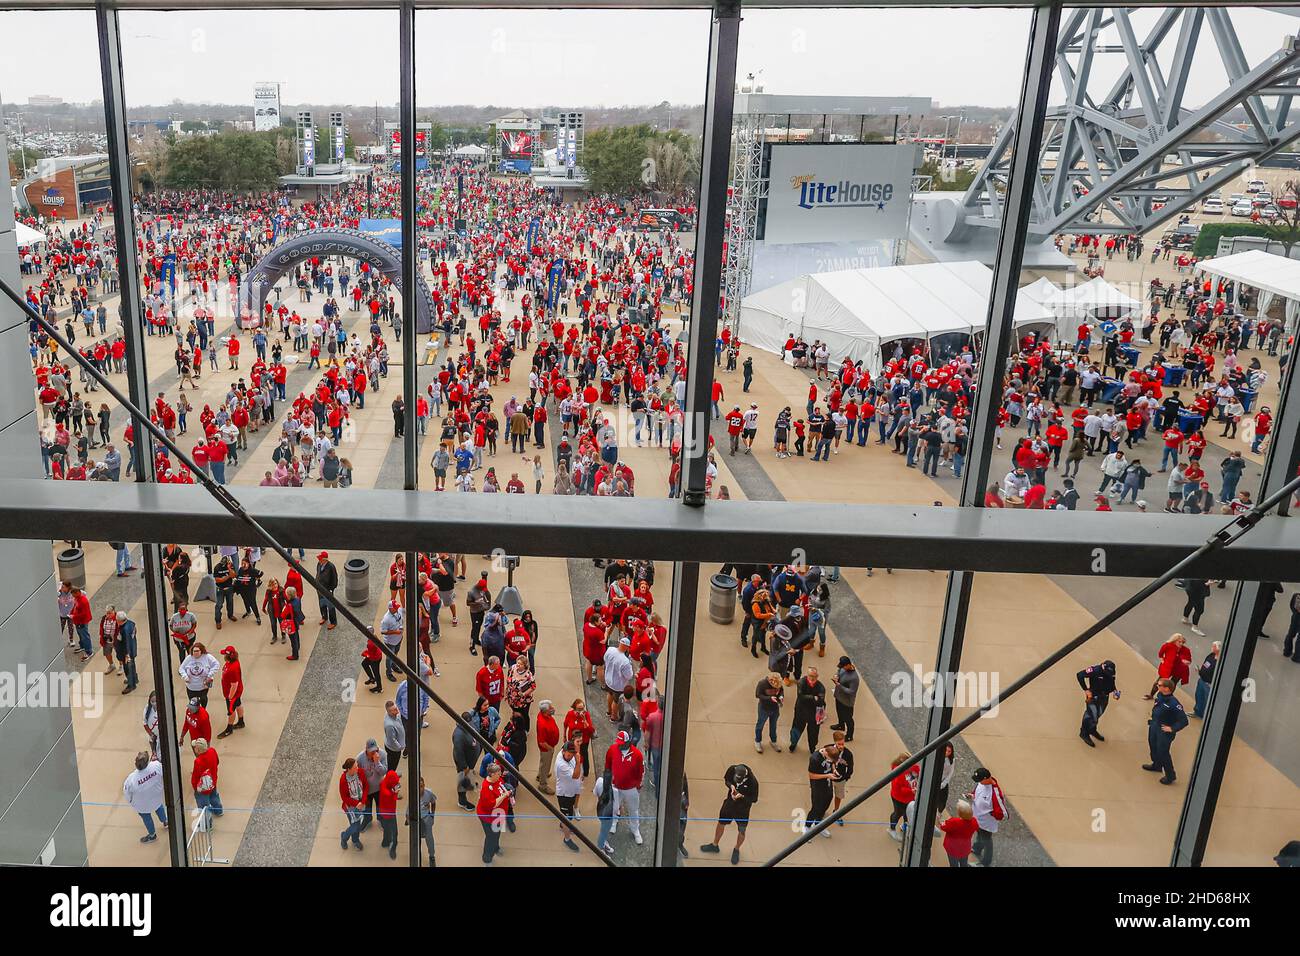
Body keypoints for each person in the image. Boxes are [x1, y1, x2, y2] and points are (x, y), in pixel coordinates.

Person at [698, 763, 759, 864]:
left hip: (743, 810)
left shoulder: (753, 782)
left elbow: (754, 799)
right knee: (721, 822)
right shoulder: (732, 769)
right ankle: (714, 845)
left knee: (742, 830)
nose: (737, 782)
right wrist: (731, 787)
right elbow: (727, 780)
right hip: (729, 804)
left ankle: (736, 849)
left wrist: (742, 796)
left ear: (745, 776)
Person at [1143, 678, 1189, 785]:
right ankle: (1156, 765)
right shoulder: (1160, 696)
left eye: (1159, 685)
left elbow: (1184, 721)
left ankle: (1170, 775)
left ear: (1167, 688)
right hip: (1155, 725)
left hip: (1164, 732)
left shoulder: (1174, 703)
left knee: (1163, 752)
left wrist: (1172, 728)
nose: (1157, 686)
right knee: (1153, 745)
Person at [606, 729, 646, 845]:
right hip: (615, 786)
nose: (619, 746)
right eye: (618, 743)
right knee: (614, 806)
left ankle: (635, 829)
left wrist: (638, 785)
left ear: (627, 742)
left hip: (631, 788)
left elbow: (641, 772)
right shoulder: (613, 749)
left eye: (621, 744)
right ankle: (614, 822)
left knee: (633, 809)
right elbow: (607, 766)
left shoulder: (637, 754)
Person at [123, 751, 168, 844]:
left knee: (146, 816)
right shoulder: (156, 765)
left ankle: (152, 835)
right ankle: (166, 821)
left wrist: (131, 802)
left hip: (142, 804)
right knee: (159, 807)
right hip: (156, 797)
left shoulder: (131, 779)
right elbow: (164, 772)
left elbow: (127, 793)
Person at [968, 767, 1007, 867]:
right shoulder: (981, 783)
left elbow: (1002, 812)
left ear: (986, 778)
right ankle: (977, 848)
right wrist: (972, 796)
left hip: (986, 822)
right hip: (977, 817)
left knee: (987, 840)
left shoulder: (995, 792)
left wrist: (992, 814)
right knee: (979, 833)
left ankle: (986, 862)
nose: (978, 782)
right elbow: (976, 793)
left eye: (980, 780)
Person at [1076, 659, 1118, 746]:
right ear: (1103, 666)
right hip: (1093, 696)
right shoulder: (1095, 670)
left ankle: (1092, 729)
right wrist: (1086, 690)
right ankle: (1084, 733)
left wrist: (1115, 691)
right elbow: (1080, 675)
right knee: (1091, 715)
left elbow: (1112, 683)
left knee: (1098, 714)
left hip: (1104, 697)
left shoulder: (1111, 673)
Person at [476, 761, 511, 865]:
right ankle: (487, 857)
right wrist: (505, 795)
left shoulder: (498, 779)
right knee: (491, 837)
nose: (500, 776)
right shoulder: (486, 788)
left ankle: (496, 847)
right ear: (491, 774)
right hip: (489, 818)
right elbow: (493, 804)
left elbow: (502, 786)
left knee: (497, 833)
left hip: (499, 814)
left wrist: (507, 788)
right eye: (498, 774)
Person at [553, 738, 584, 853]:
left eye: (572, 754)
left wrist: (577, 746)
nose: (570, 756)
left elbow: (576, 751)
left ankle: (563, 824)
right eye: (569, 754)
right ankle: (567, 839)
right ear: (563, 750)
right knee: (567, 818)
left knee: (568, 815)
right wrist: (578, 761)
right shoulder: (561, 764)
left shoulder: (568, 753)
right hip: (564, 794)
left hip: (570, 792)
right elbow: (575, 775)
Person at [805, 740, 840, 836]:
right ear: (826, 753)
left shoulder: (831, 749)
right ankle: (807, 826)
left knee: (825, 805)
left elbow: (833, 762)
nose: (830, 762)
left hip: (827, 785)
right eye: (829, 760)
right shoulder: (815, 759)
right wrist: (827, 776)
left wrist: (834, 769)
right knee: (816, 807)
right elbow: (811, 775)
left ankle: (818, 825)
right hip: (817, 786)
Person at [789, 666, 826, 753]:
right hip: (801, 711)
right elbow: (800, 697)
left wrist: (809, 698)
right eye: (810, 676)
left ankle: (812, 748)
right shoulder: (801, 682)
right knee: (796, 729)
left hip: (814, 713)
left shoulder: (821, 687)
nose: (812, 678)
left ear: (817, 676)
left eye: (814, 676)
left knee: (813, 733)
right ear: (807, 675)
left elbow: (821, 701)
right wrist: (813, 697)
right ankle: (793, 744)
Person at [339, 756, 368, 851]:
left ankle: (355, 840)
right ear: (349, 769)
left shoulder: (360, 772)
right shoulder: (343, 780)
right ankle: (344, 837)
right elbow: (344, 797)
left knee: (358, 825)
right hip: (350, 806)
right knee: (355, 826)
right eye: (355, 767)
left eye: (357, 766)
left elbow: (366, 786)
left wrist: (362, 802)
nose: (357, 768)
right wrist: (356, 803)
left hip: (360, 804)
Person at [938, 801, 979, 867]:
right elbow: (976, 827)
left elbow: (944, 827)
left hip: (953, 848)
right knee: (964, 863)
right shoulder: (974, 821)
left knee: (954, 864)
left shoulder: (954, 822)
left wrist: (941, 822)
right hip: (965, 848)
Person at [215, 646, 245, 739]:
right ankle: (241, 722)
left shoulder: (233, 668)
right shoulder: (232, 662)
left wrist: (230, 697)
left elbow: (234, 684)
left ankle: (229, 728)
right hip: (236, 692)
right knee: (238, 704)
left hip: (232, 694)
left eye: (224, 654)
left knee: (231, 711)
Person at [191, 738, 223, 821]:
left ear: (198, 750)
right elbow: (217, 761)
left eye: (195, 747)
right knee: (214, 796)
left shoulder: (198, 761)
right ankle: (218, 811)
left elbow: (196, 776)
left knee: (204, 805)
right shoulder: (212, 751)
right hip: (213, 781)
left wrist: (195, 787)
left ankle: (208, 823)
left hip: (203, 788)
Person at [754, 671, 784, 753]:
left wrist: (781, 696)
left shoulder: (778, 683)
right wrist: (769, 698)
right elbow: (758, 695)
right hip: (764, 708)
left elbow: (781, 690)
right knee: (760, 725)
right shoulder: (762, 684)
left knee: (773, 726)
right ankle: (758, 741)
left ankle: (773, 741)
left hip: (775, 708)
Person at [830, 656, 858, 741]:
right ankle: (841, 725)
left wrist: (839, 685)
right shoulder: (843, 668)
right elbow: (839, 671)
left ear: (848, 665)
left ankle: (849, 735)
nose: (842, 668)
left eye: (843, 666)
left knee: (848, 719)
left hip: (846, 702)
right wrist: (836, 676)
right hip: (839, 697)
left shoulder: (854, 678)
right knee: (839, 712)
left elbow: (851, 691)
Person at [377, 769, 403, 860]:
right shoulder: (384, 787)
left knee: (387, 828)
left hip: (388, 811)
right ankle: (392, 846)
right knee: (394, 831)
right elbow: (389, 794)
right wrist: (394, 792)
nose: (397, 783)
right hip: (388, 813)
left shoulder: (387, 782)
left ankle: (386, 841)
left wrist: (395, 789)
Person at [535, 699, 560, 793]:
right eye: (551, 708)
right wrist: (551, 749)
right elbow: (542, 742)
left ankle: (540, 775)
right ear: (545, 711)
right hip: (546, 748)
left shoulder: (544, 715)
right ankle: (543, 785)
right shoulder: (542, 724)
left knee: (544, 764)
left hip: (549, 746)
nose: (553, 709)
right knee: (546, 764)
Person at [1193, 641, 1221, 718]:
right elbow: (1205, 664)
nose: (1212, 647)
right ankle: (1198, 712)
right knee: (1199, 696)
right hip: (1202, 680)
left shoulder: (1220, 661)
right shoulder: (1211, 655)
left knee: (1207, 701)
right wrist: (1200, 671)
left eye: (1214, 646)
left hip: (1209, 684)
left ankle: (1206, 717)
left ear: (1218, 649)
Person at [316, 551, 339, 629]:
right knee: (322, 604)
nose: (319, 560)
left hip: (327, 590)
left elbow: (335, 580)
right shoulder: (319, 564)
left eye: (320, 559)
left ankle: (333, 621)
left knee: (330, 606)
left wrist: (331, 589)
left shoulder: (331, 567)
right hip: (319, 589)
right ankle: (324, 617)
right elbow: (318, 573)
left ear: (325, 559)